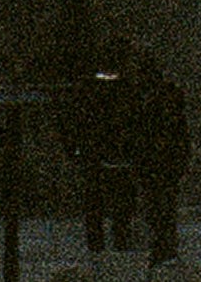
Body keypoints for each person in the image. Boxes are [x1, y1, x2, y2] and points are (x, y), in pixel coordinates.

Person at [75, 53, 139, 255]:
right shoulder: (125, 90)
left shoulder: (92, 91)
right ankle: (114, 238)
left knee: (105, 198)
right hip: (109, 151)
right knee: (112, 197)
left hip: (108, 151)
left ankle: (106, 240)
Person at [129, 56, 191, 267]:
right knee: (159, 206)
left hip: (160, 160)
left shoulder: (157, 98)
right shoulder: (161, 97)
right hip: (158, 160)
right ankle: (163, 247)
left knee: (160, 206)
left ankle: (164, 247)